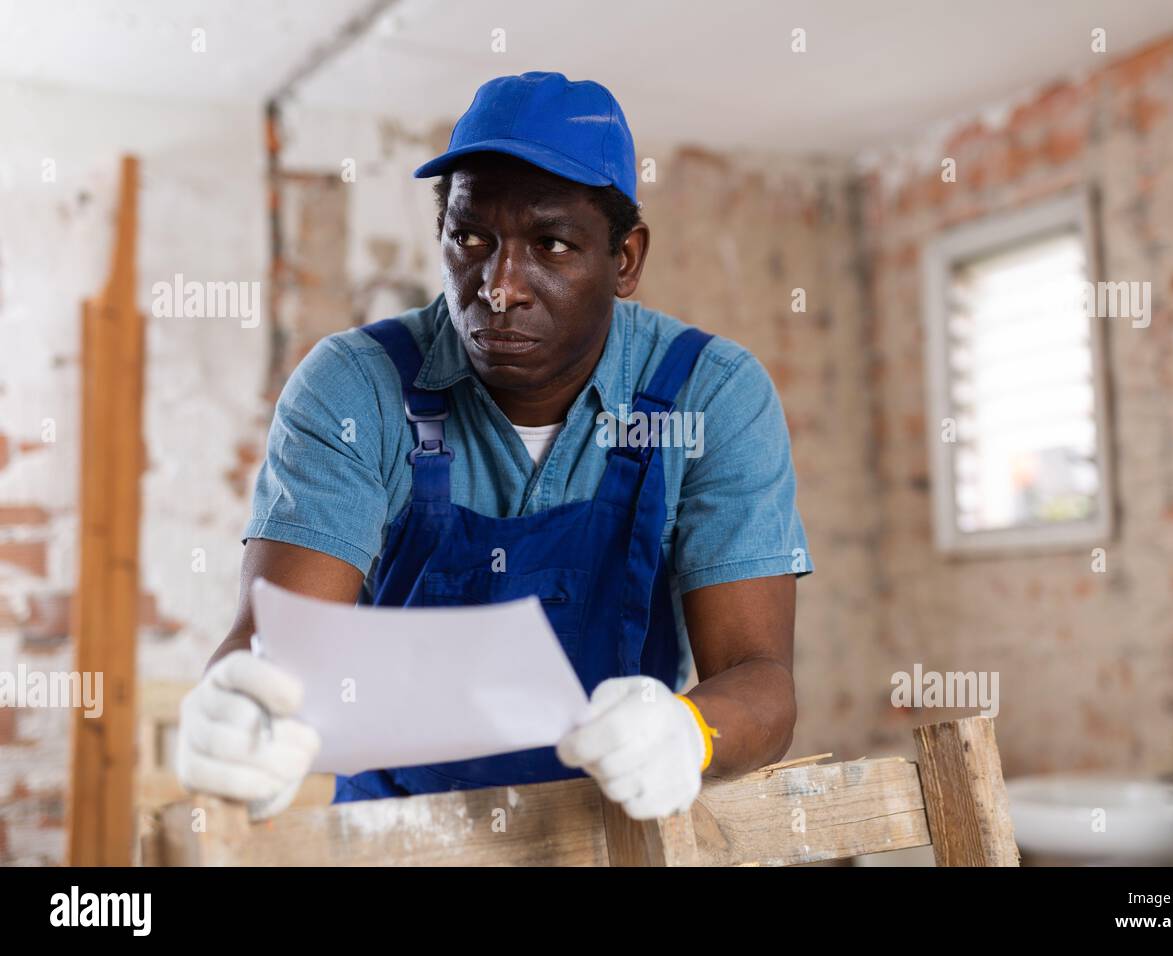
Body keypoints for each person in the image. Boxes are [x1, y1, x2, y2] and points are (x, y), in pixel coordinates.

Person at [177, 71, 814, 823]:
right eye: (472, 238)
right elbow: (273, 646)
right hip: (395, 840)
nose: (501, 284)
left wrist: (690, 730)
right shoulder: (356, 387)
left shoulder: (707, 394)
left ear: (626, 259)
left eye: (551, 243)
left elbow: (760, 678)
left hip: (606, 832)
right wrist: (243, 719)